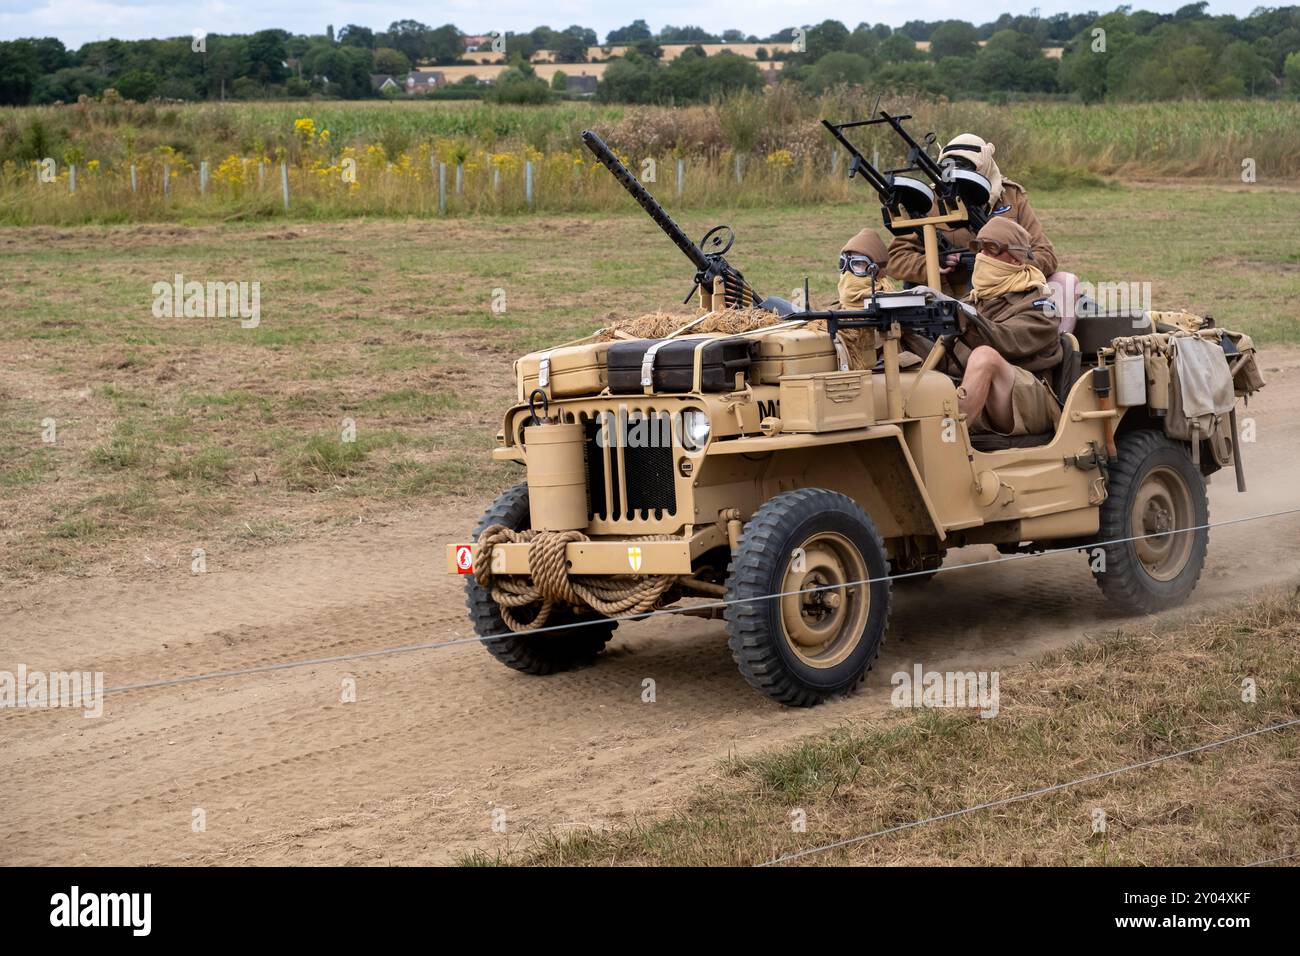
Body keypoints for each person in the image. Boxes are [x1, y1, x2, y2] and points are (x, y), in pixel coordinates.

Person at [886, 133, 1079, 332]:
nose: (958, 179)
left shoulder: (1011, 197)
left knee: (1065, 282)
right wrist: (934, 263)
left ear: (983, 167)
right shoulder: (930, 203)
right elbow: (896, 259)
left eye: (966, 171)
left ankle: (1054, 349)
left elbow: (1045, 254)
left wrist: (1008, 265)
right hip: (950, 298)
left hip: (1011, 298)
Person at [942, 218, 1063, 437]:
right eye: (979, 248)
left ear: (1017, 259)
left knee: (985, 357)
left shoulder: (1041, 305)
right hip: (975, 393)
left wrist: (963, 317)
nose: (982, 257)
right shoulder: (976, 300)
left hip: (1029, 402)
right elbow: (942, 354)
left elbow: (1007, 341)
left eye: (992, 249)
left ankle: (948, 438)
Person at [836, 228, 897, 308]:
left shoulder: (895, 311)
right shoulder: (831, 317)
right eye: (843, 263)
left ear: (876, 270)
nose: (848, 272)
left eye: (857, 263)